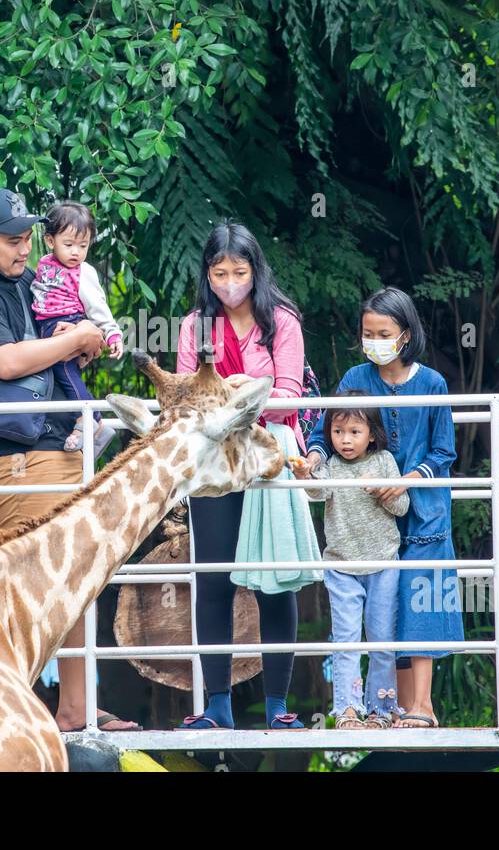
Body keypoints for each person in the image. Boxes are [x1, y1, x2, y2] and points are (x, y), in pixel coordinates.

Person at [0, 186, 141, 732]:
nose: (24, 248)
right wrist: (76, 336)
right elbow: (5, 362)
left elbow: (66, 322)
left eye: (28, 237)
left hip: (59, 445)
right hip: (15, 456)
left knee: (71, 575)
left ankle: (74, 707)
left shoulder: (28, 278)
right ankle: (8, 712)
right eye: (12, 240)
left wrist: (88, 334)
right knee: (35, 584)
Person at [297, 287, 461, 729]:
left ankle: (421, 707)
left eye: (383, 333)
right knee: (381, 619)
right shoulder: (354, 378)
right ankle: (390, 709)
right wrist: (313, 460)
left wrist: (405, 480)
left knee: (420, 605)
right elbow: (321, 431)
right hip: (366, 519)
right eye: (367, 332)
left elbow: (445, 451)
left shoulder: (432, 383)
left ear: (405, 335)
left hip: (424, 508)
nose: (373, 340)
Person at [174, 222, 314, 730]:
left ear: (256, 272)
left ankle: (279, 707)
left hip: (268, 458)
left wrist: (234, 397)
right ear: (207, 275)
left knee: (275, 582)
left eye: (239, 271)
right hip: (213, 463)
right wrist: (242, 395)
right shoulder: (195, 327)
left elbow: (290, 398)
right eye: (219, 272)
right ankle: (216, 706)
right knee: (213, 580)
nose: (230, 281)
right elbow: (189, 399)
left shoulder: (282, 323)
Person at [293, 389, 410, 729]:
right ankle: (347, 710)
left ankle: (382, 710)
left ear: (372, 434)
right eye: (338, 432)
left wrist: (382, 491)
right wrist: (305, 478)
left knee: (382, 642)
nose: (345, 440)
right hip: (342, 567)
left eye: (354, 432)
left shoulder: (384, 461)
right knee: (345, 642)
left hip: (383, 565)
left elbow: (401, 507)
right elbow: (317, 493)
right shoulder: (330, 465)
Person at [29, 201, 123, 458]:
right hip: (46, 325)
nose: (76, 252)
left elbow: (98, 306)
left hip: (68, 322)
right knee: (58, 373)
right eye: (68, 244)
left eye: (83, 246)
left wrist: (112, 333)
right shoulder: (45, 264)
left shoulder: (84, 272)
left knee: (64, 371)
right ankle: (96, 422)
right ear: (50, 241)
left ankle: (87, 420)